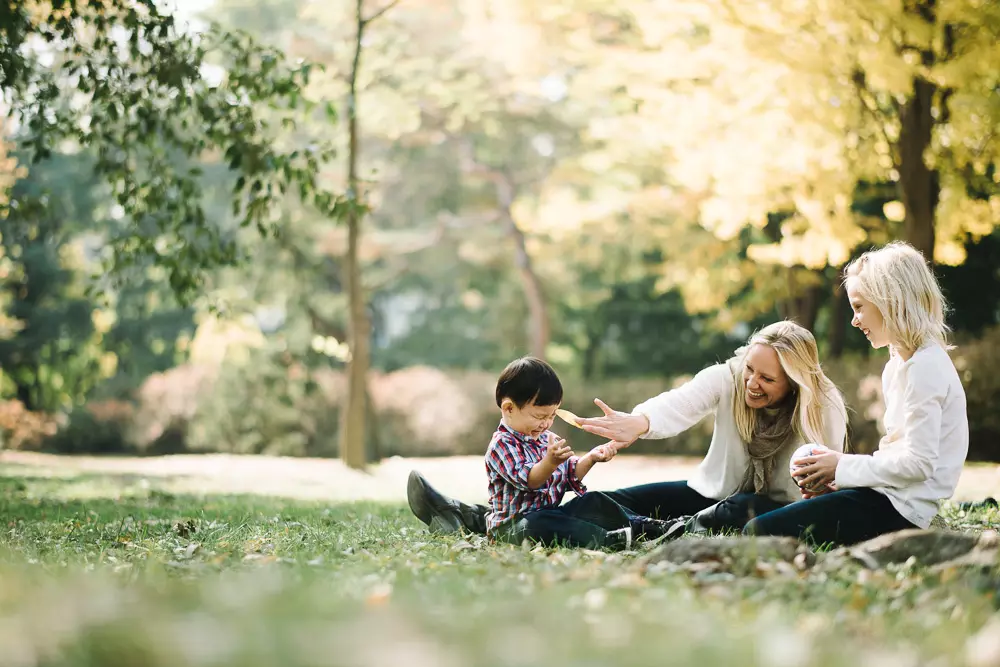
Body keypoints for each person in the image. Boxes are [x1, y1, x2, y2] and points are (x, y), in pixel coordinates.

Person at [407, 320, 848, 538]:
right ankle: (491, 519)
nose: (751, 382)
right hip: (716, 489)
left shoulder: (823, 407)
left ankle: (506, 523)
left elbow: (825, 481)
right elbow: (682, 401)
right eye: (750, 369)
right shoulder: (730, 378)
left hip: (764, 506)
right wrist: (637, 422)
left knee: (738, 511)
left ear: (795, 380)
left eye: (766, 379)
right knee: (607, 500)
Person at [744, 242, 969, 546]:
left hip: (901, 513)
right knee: (757, 518)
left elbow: (919, 465)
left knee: (756, 531)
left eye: (860, 307)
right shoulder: (900, 365)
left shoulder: (925, 368)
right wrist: (840, 479)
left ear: (891, 299)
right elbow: (896, 458)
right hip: (887, 498)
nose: (854, 320)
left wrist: (841, 465)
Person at [476, 356, 672, 549]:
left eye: (552, 415)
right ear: (509, 408)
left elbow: (570, 473)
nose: (546, 423)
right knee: (540, 522)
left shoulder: (545, 438)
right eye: (539, 416)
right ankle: (607, 539)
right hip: (514, 529)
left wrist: (591, 458)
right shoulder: (501, 446)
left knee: (590, 500)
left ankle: (644, 526)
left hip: (552, 515)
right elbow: (531, 481)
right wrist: (549, 463)